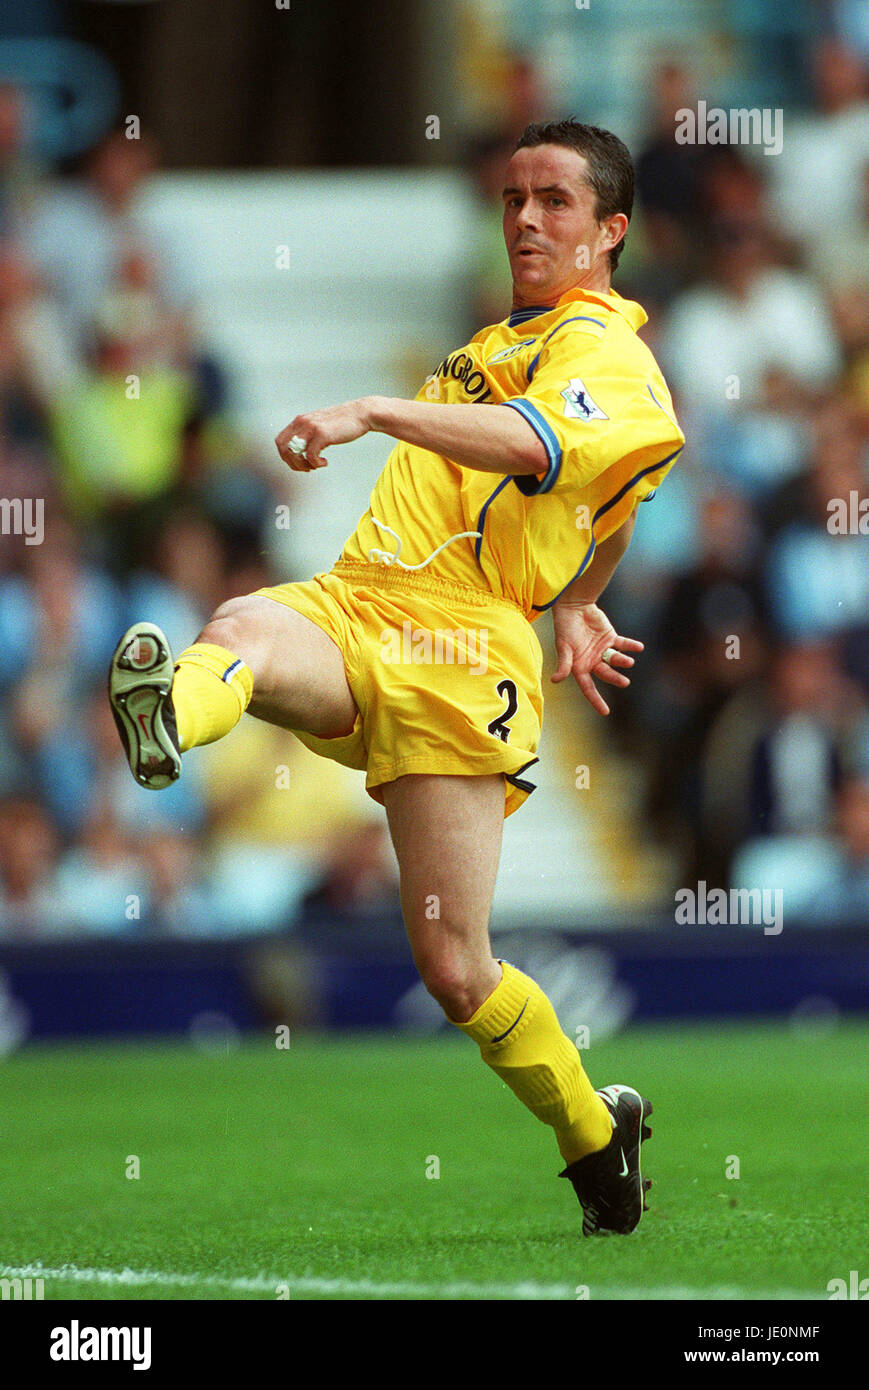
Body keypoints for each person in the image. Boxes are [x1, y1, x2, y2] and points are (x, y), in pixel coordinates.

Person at [109, 120, 684, 1235]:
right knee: (241, 622)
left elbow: (537, 450)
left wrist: (370, 410)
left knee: (456, 969)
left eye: (554, 201)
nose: (523, 217)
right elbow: (611, 509)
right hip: (360, 595)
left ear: (611, 231)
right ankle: (167, 713)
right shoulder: (501, 334)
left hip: (461, 652)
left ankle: (592, 1129)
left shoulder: (608, 355)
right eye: (513, 197)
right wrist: (574, 595)